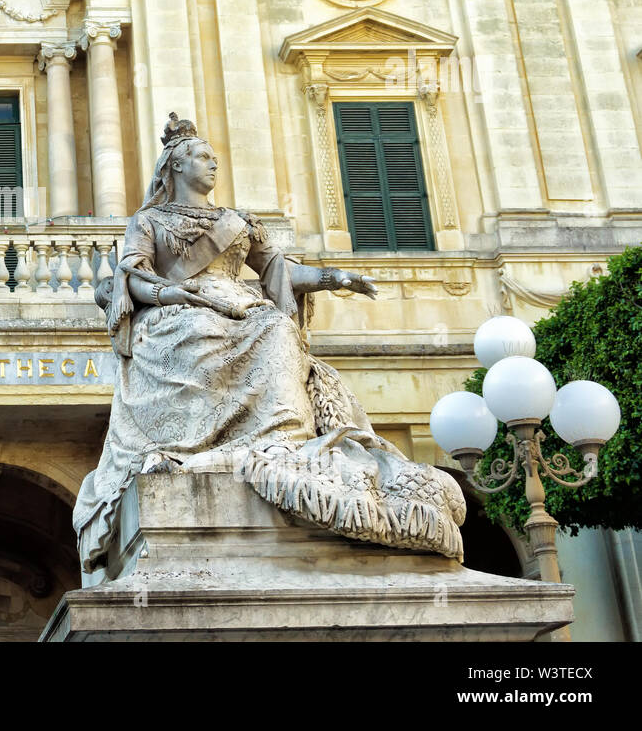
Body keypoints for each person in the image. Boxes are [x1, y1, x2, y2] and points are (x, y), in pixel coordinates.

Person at [74, 113, 465, 572]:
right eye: (202, 157)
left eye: (214, 158)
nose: (212, 165)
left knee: (277, 328)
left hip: (242, 308)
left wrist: (332, 277)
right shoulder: (150, 221)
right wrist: (173, 293)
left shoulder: (237, 222)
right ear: (176, 167)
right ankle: (199, 441)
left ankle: (281, 438)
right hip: (177, 315)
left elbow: (277, 270)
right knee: (197, 331)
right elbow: (134, 277)